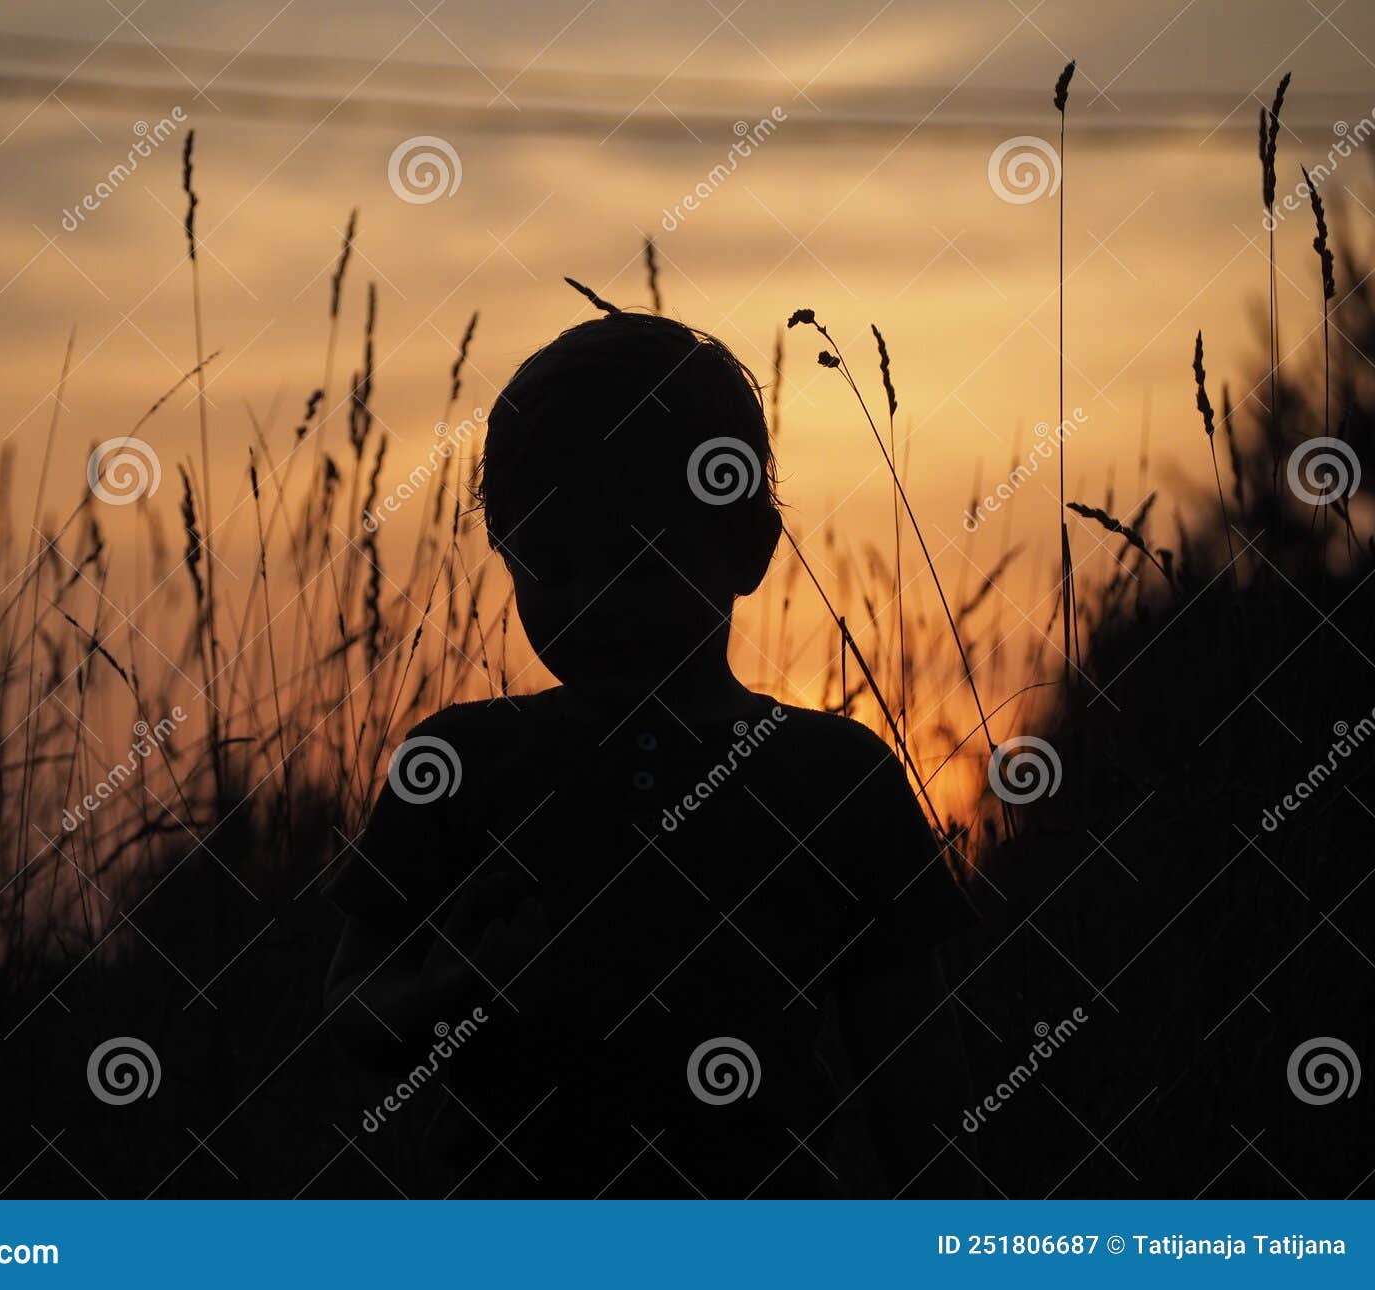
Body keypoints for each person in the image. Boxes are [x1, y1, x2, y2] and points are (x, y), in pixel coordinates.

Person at [325, 310, 977, 1197]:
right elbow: (353, 1003)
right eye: (552, 566)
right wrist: (447, 992)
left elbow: (920, 1097)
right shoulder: (458, 764)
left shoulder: (834, 781)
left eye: (638, 564)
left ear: (747, 549)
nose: (592, 604)